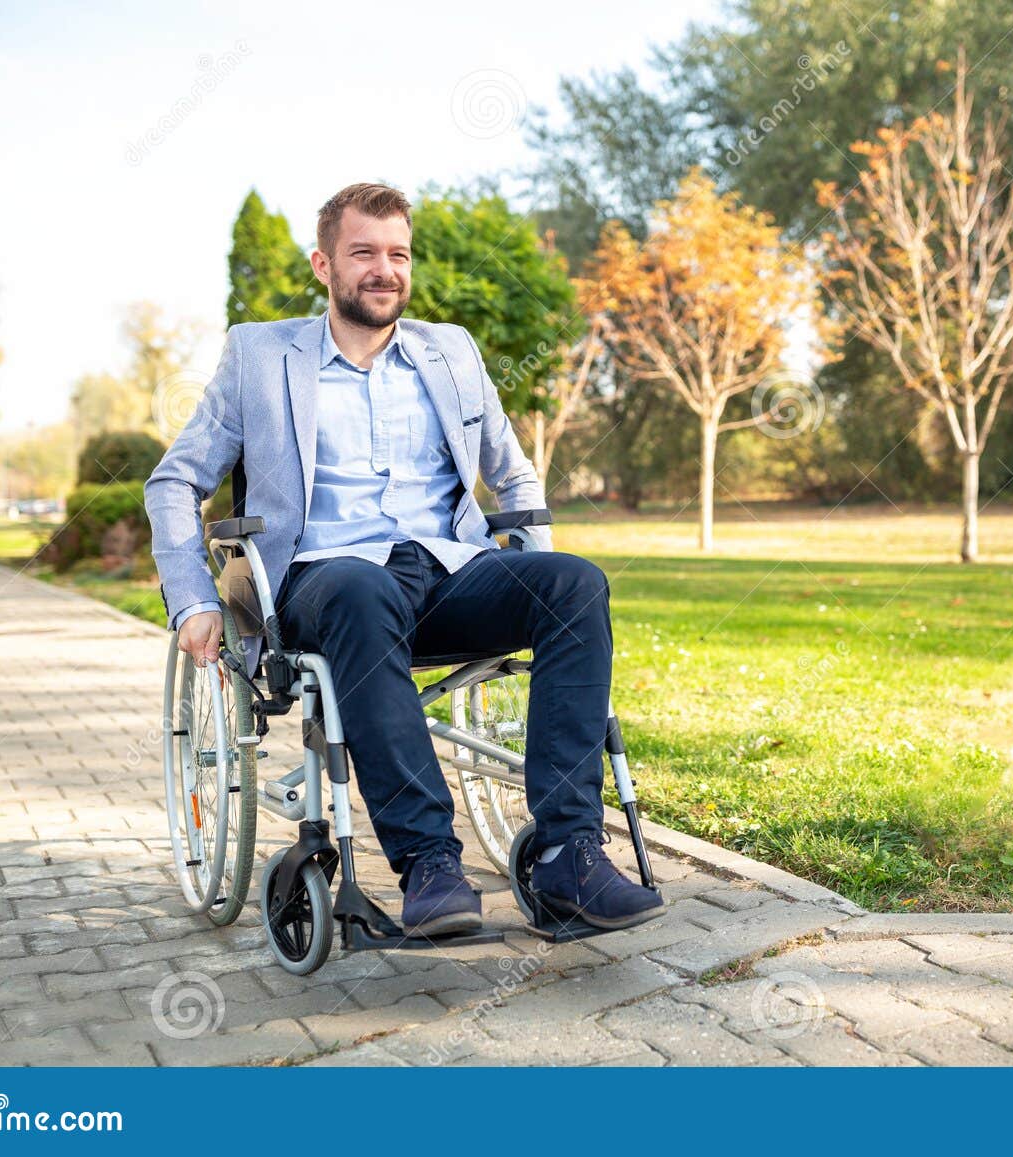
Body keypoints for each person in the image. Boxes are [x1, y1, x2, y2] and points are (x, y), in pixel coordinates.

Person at [145, 182, 664, 936]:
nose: (384, 269)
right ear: (324, 264)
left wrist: (529, 558)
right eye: (363, 253)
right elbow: (175, 479)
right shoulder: (259, 355)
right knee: (361, 589)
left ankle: (569, 856)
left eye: (398, 254)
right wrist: (193, 599)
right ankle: (430, 862)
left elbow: (513, 472)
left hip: (450, 571)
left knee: (574, 584)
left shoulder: (448, 350)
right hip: (325, 579)